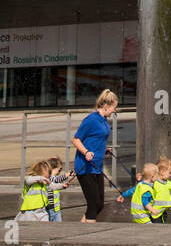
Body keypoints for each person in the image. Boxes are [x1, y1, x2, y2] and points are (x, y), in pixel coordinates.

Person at [71, 89, 118, 222]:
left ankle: (78, 231)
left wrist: (104, 150)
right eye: (114, 107)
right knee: (93, 204)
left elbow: (97, 139)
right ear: (106, 106)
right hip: (85, 166)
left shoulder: (103, 120)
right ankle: (89, 238)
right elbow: (76, 139)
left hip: (97, 166)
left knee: (99, 204)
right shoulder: (91, 120)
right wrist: (86, 152)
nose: (114, 110)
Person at [46, 157, 73, 222]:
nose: (59, 172)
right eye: (59, 169)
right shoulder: (48, 178)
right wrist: (68, 174)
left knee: (58, 224)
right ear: (52, 168)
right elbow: (56, 179)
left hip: (56, 208)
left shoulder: (53, 178)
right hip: (49, 208)